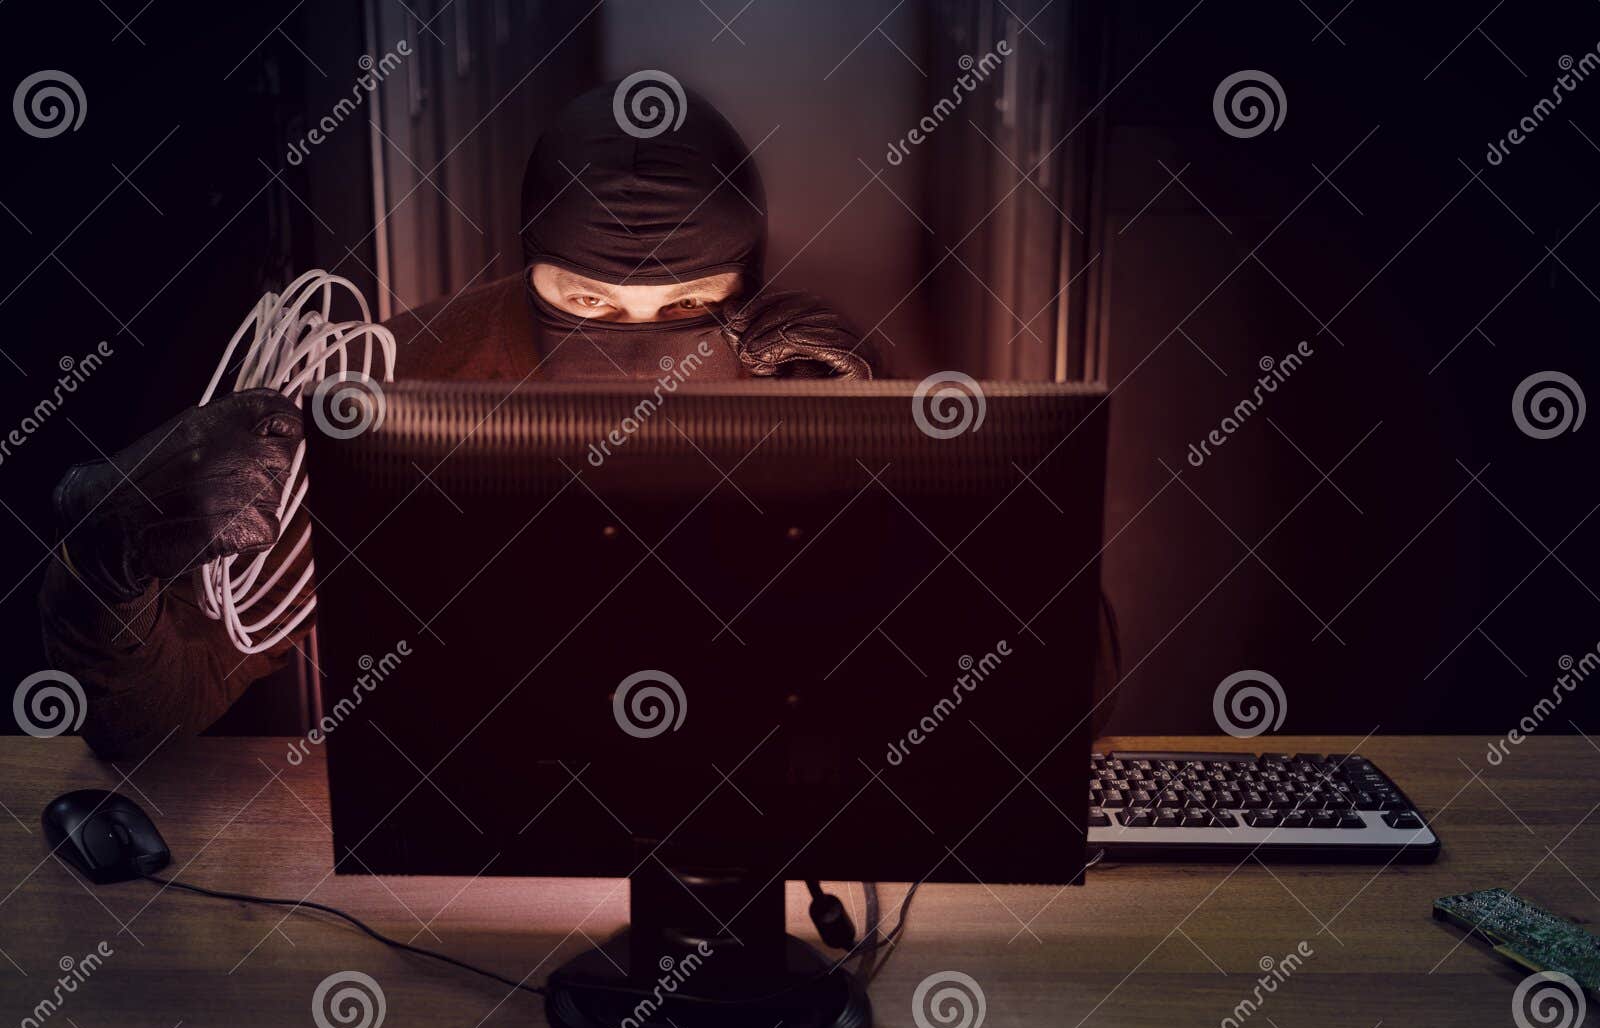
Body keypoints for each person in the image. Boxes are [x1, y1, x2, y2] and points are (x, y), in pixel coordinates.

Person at [39, 83, 1116, 759]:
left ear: (743, 280)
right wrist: (105, 549)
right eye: (591, 306)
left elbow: (1054, 688)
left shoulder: (809, 369)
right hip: (474, 887)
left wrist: (882, 462)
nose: (638, 351)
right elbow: (151, 720)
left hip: (753, 836)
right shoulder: (407, 385)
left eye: (685, 307)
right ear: (530, 269)